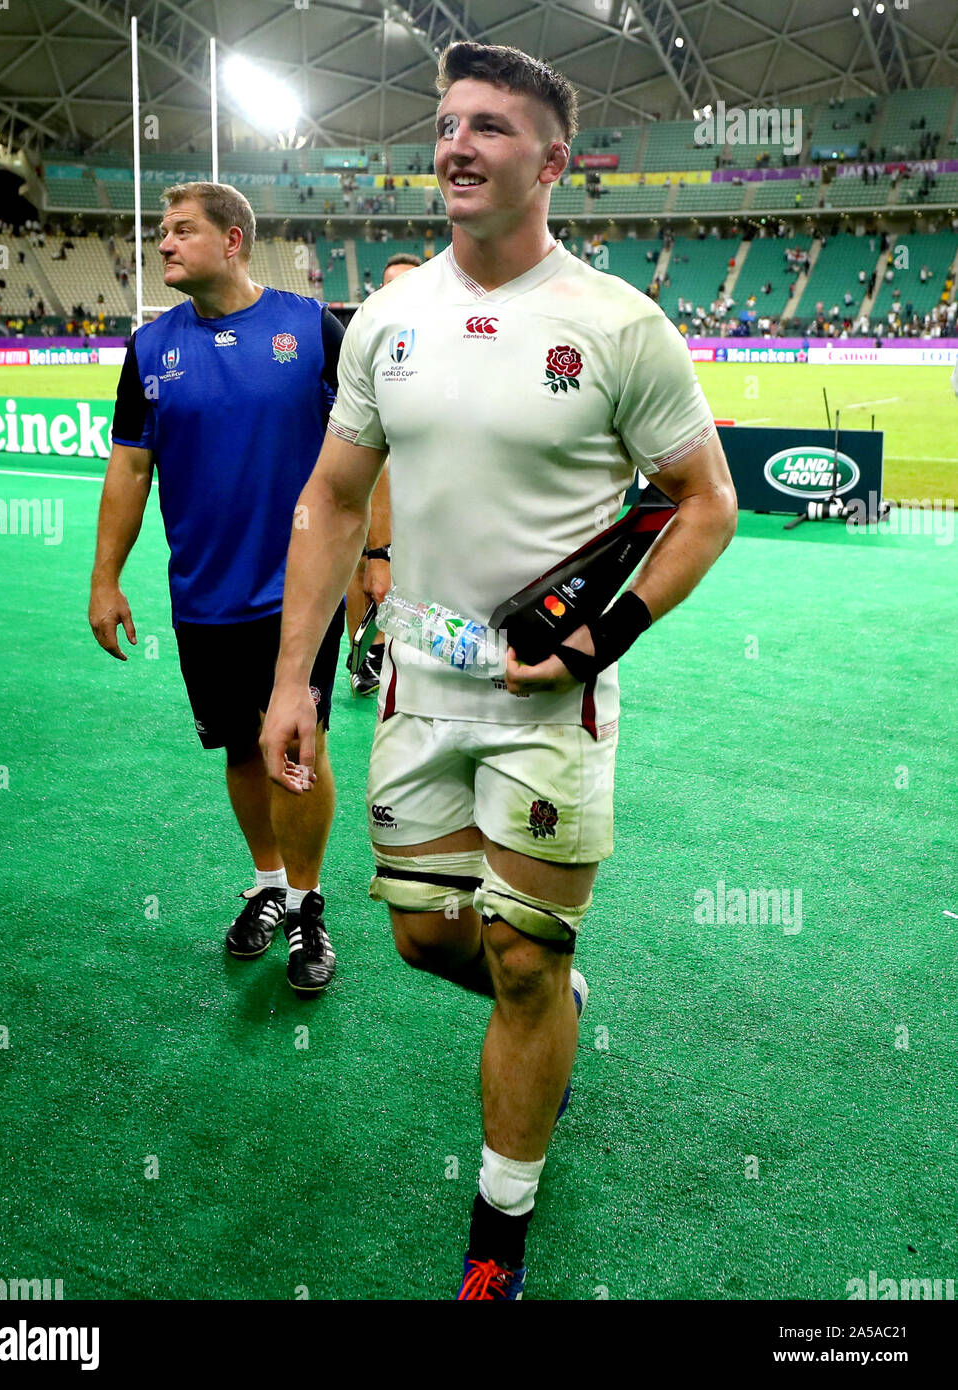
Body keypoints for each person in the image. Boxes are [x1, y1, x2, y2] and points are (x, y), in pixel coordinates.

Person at [260, 41, 736, 1299]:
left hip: (551, 701)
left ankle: (496, 1240)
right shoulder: (389, 319)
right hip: (416, 680)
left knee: (516, 956)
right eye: (447, 123)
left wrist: (600, 636)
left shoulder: (618, 325)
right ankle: (554, 988)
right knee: (424, 940)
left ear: (552, 162)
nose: (457, 145)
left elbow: (703, 504)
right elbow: (328, 499)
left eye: (490, 127)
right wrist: (292, 680)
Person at [88, 182, 347, 995]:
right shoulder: (148, 346)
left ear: (233, 240)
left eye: (181, 231)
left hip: (299, 592)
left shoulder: (311, 330)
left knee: (297, 743)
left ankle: (309, 906)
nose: (163, 245)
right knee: (240, 745)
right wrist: (105, 577)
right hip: (202, 594)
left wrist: (375, 558)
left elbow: (362, 460)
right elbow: (130, 465)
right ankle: (269, 884)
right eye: (161, 233)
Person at [344, 253, 421, 698]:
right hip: (376, 474)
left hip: (427, 483)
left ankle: (407, 651)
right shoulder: (365, 340)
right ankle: (364, 659)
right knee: (366, 562)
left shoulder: (446, 337)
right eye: (390, 284)